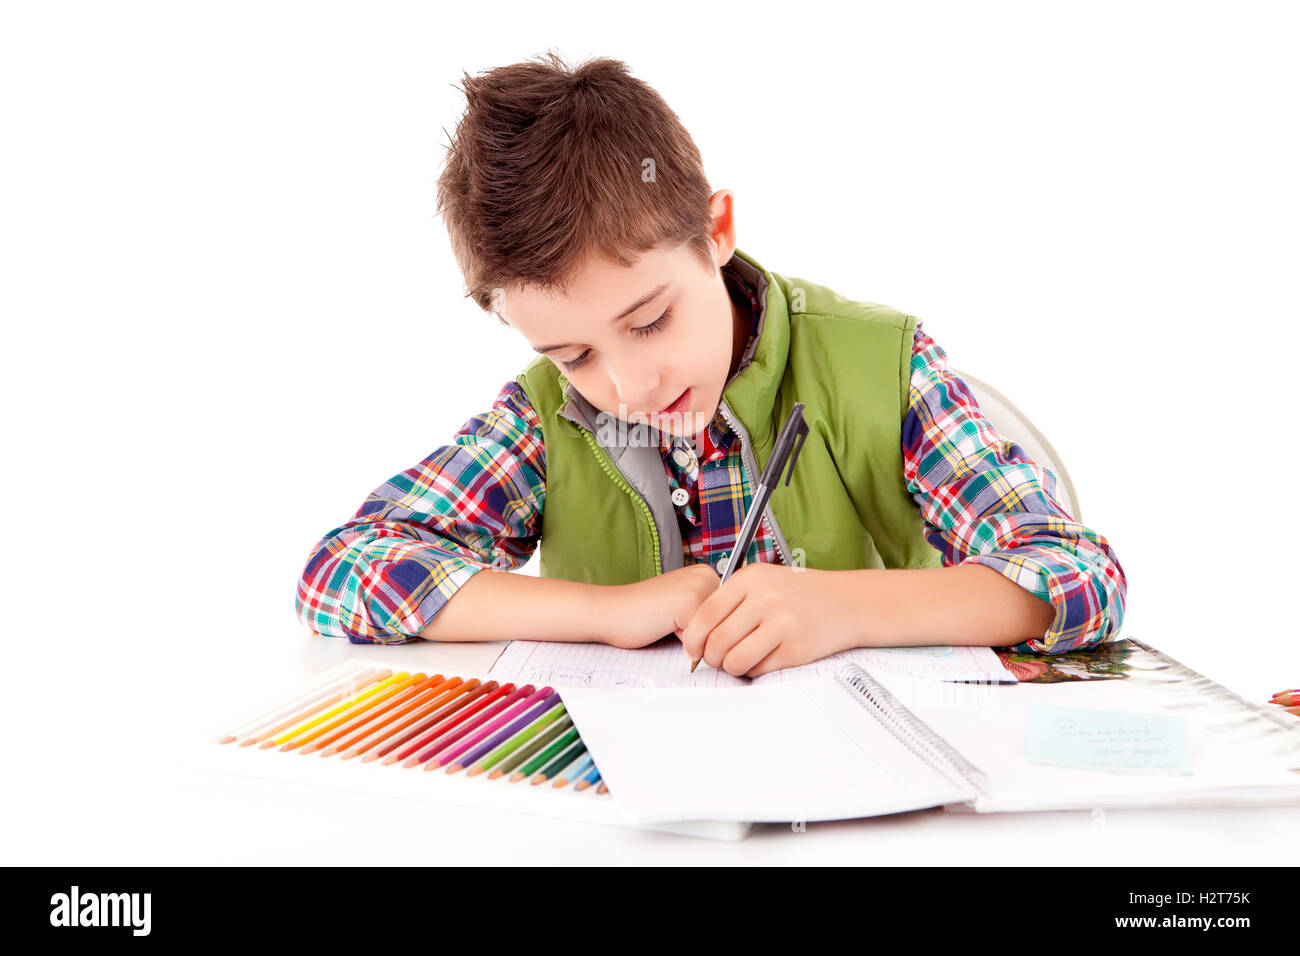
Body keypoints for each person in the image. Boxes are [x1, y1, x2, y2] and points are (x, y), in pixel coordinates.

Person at [294, 52, 1128, 679]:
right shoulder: (544, 418)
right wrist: (608, 613)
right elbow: (345, 570)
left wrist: (844, 608)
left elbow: (1080, 576)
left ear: (716, 229)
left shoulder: (885, 368)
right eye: (573, 352)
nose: (630, 385)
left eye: (650, 320)